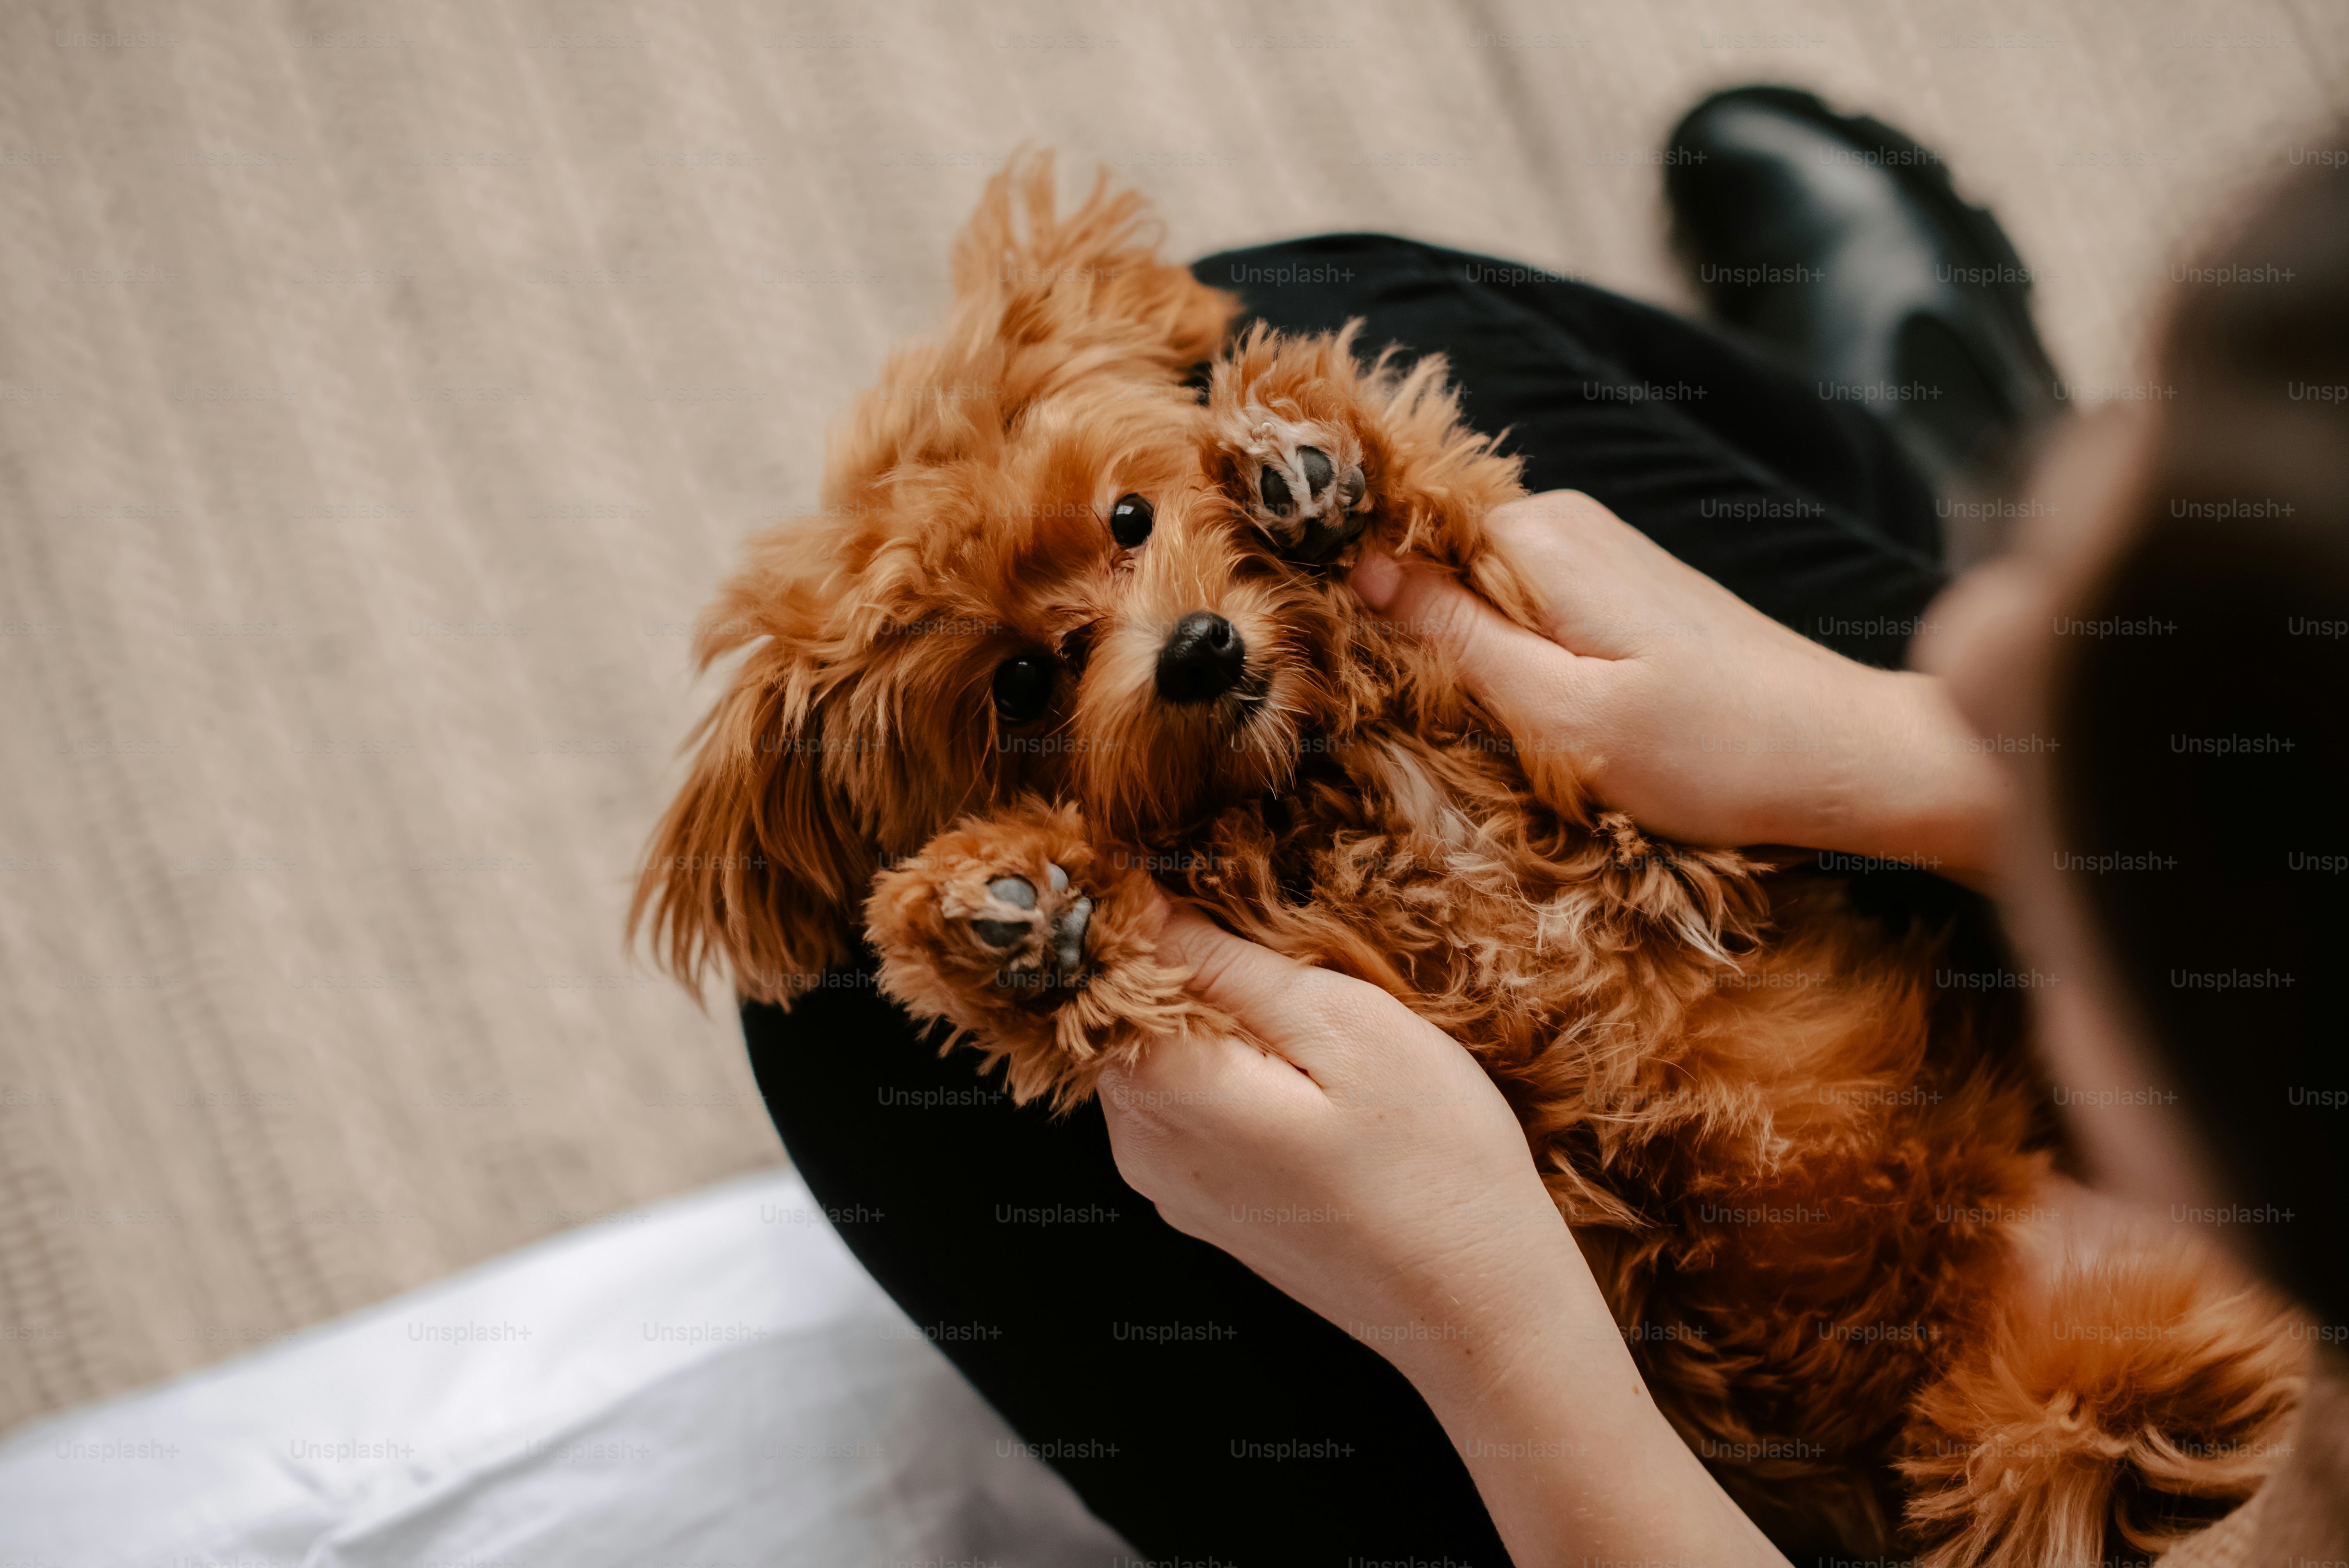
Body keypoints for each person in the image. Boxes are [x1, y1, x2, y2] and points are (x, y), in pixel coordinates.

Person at [743, 93, 2347, 1561]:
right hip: (2048, 1119)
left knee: (835, 1011)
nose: (1985, 663)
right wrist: (1875, 749)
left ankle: (1923, 470)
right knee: (1307, 318)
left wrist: (1487, 1322)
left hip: (1917, 1450)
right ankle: (1938, 455)